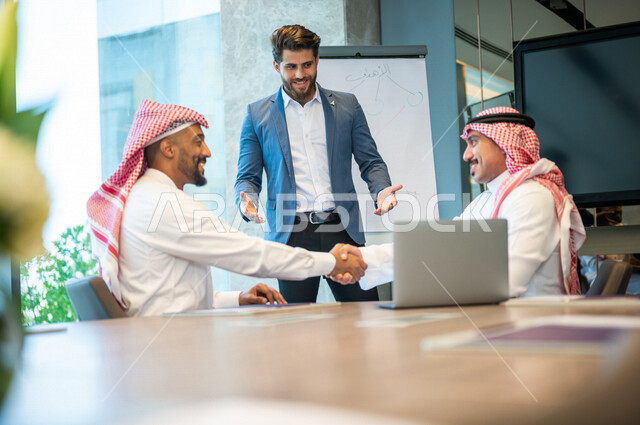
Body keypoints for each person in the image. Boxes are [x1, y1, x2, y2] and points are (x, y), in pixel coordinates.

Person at [87, 100, 367, 317]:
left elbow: (170, 293)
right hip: (172, 357)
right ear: (168, 149)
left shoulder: (144, 198)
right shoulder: (165, 205)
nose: (207, 152)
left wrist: (238, 298)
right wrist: (331, 262)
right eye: (198, 141)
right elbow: (250, 254)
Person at [333, 106, 586, 298]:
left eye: (474, 142)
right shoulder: (487, 200)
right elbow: (439, 245)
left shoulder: (531, 197)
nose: (466, 155)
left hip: (533, 336)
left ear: (504, 144)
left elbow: (508, 282)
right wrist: (362, 258)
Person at [234, 24, 401, 303]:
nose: (300, 75)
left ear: (317, 61)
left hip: (341, 227)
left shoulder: (348, 106)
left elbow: (370, 162)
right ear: (276, 66)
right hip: (291, 236)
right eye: (290, 67)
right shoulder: (257, 114)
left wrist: (381, 189)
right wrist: (247, 200)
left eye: (307, 65)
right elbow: (247, 177)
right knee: (295, 326)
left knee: (367, 315)